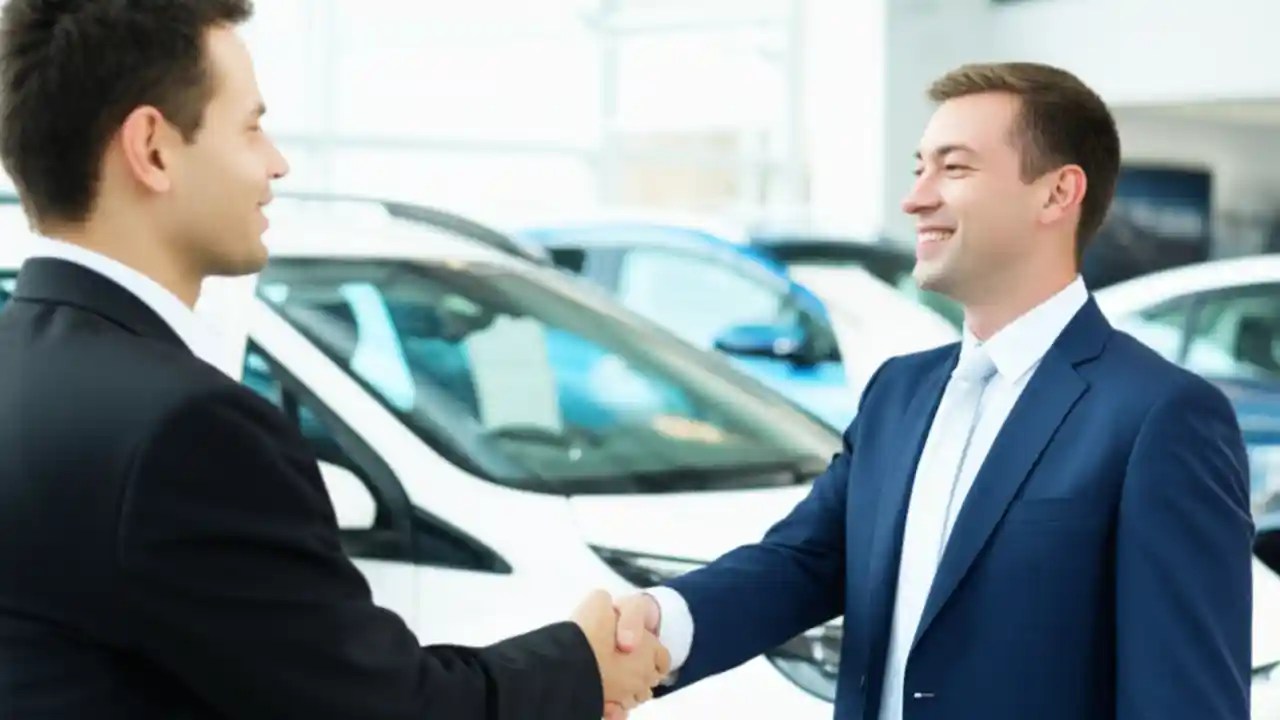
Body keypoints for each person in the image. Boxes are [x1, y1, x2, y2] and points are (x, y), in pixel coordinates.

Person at [0, 2, 667, 718]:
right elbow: (375, 706)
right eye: (251, 126)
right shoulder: (187, 428)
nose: (277, 161)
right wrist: (581, 666)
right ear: (153, 149)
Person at [610, 62, 1255, 720]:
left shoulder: (1161, 417)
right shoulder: (899, 391)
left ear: (1058, 195)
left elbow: (1186, 700)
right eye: (919, 168)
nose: (915, 199)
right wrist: (657, 623)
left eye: (954, 168)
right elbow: (805, 563)